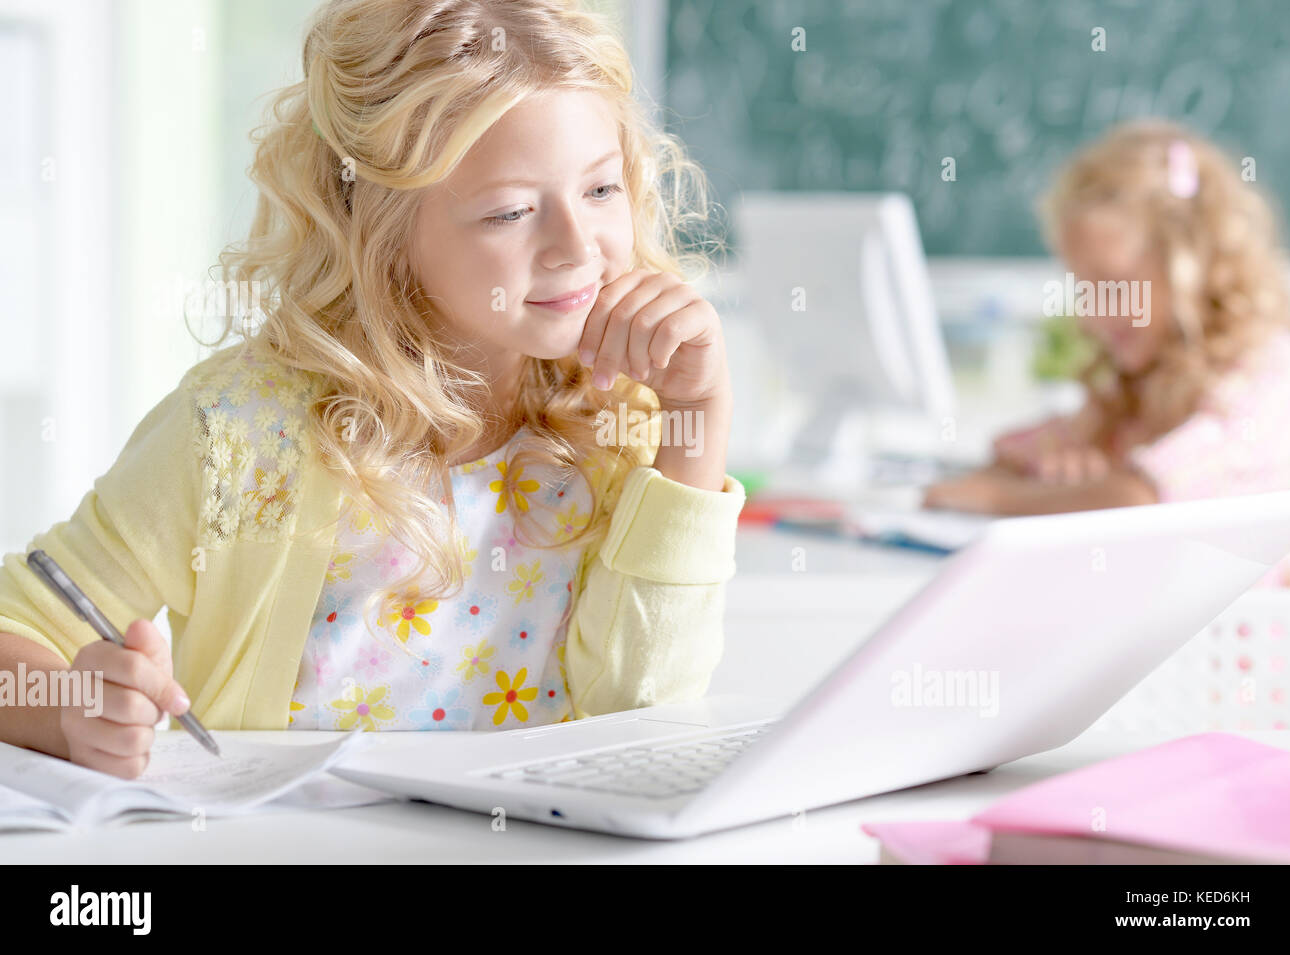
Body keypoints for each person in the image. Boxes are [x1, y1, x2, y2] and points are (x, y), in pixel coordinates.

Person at [0, 0, 744, 778]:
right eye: (512, 211)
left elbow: (644, 717)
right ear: (382, 228)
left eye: (600, 191)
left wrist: (695, 420)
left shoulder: (624, 416)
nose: (574, 247)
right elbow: (15, 633)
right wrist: (67, 709)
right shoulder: (240, 432)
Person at [925, 120, 1290, 569]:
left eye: (1113, 284)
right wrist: (1053, 473)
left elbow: (1143, 501)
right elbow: (1009, 454)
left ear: (1190, 266)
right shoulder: (1139, 384)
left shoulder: (1272, 375)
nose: (1090, 314)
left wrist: (995, 497)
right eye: (1083, 287)